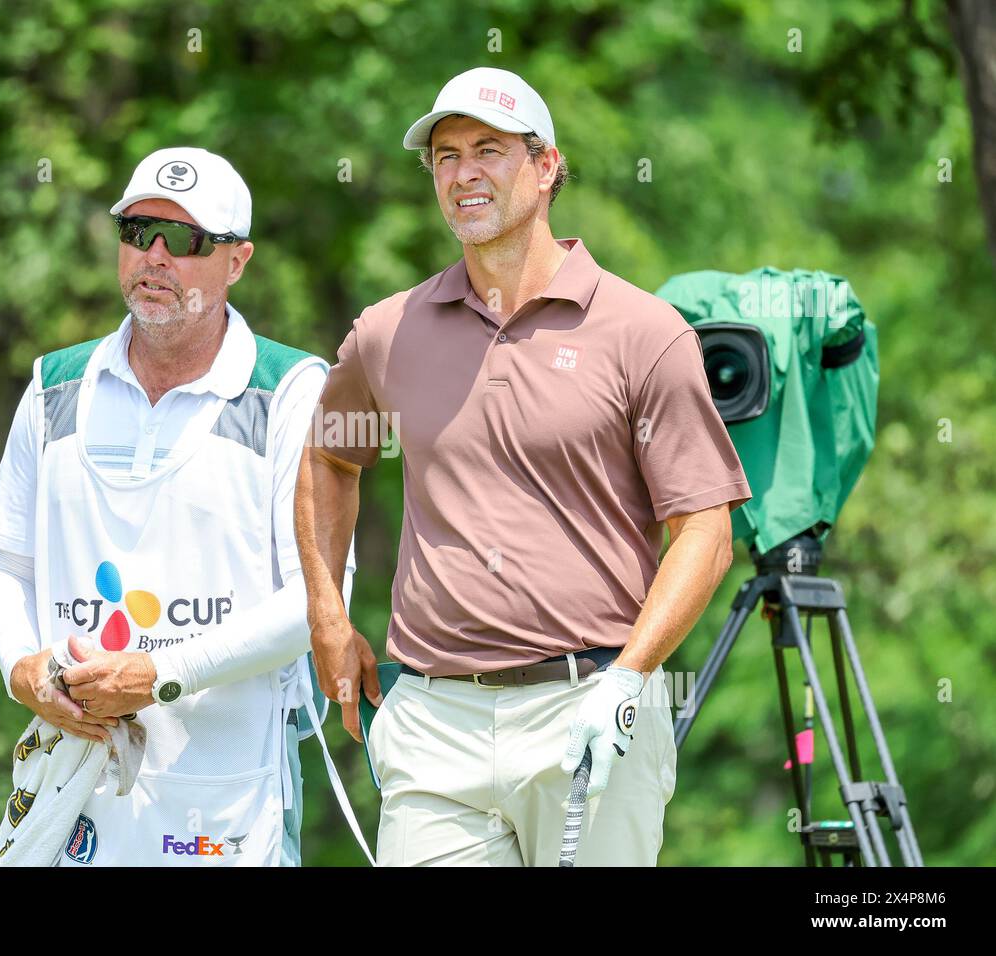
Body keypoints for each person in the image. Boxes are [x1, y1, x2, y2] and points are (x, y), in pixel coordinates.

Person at [295, 68, 752, 866]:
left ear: (546, 168)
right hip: (434, 720)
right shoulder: (388, 332)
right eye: (444, 155)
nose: (463, 173)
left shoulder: (644, 332)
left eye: (488, 150)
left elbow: (705, 533)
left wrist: (627, 679)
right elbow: (330, 457)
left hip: (588, 703)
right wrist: (327, 617)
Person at [0, 146, 360, 866]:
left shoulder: (292, 392)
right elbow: (3, 566)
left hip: (224, 800)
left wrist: (159, 674)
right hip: (73, 786)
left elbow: (315, 600)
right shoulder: (54, 385)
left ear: (236, 261)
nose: (154, 257)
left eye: (184, 241)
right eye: (136, 231)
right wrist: (19, 667)